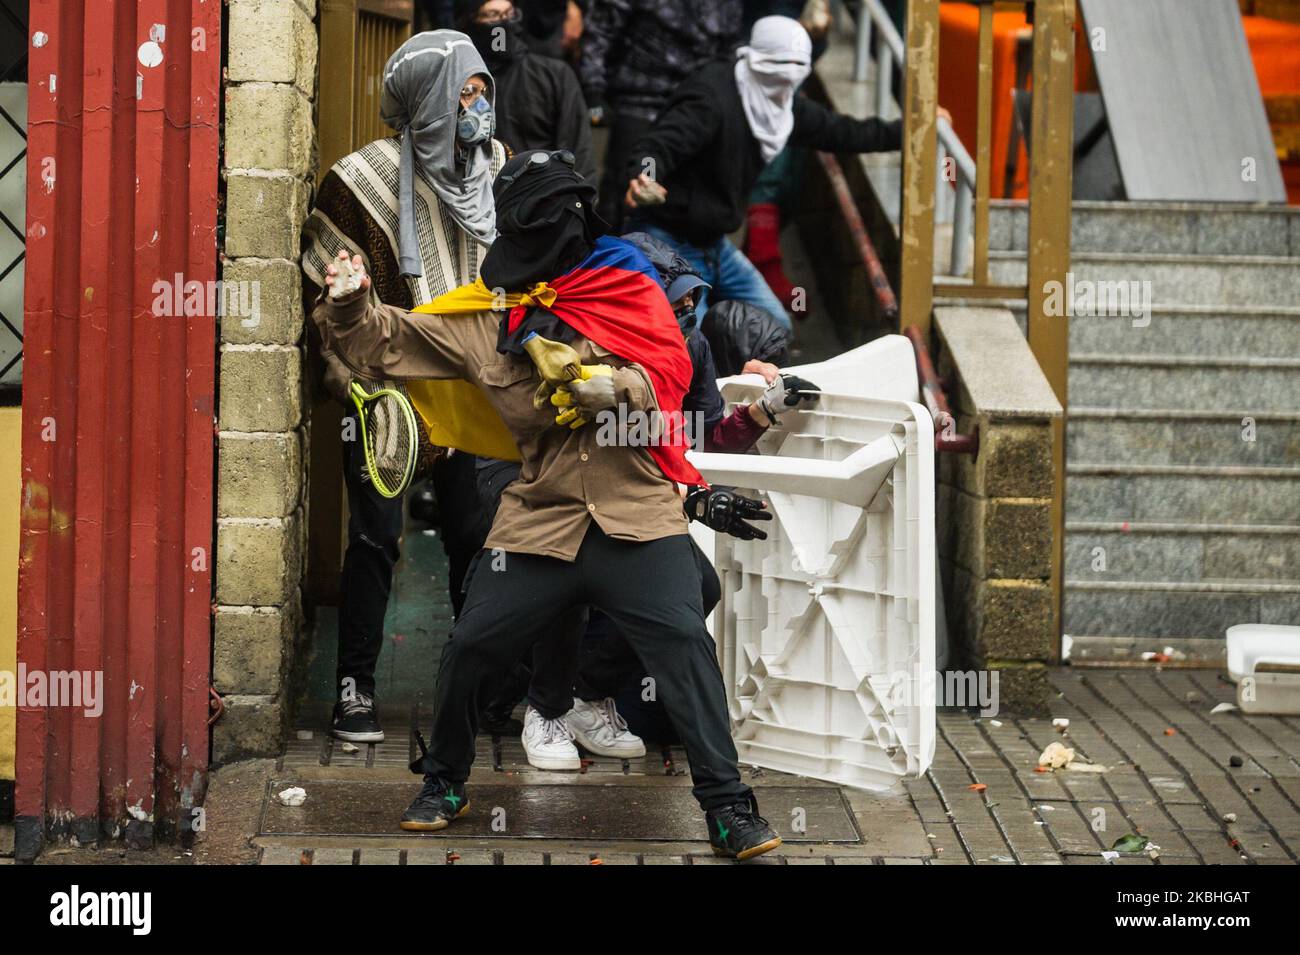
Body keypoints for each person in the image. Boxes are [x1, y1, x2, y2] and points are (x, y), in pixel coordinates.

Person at [316, 149, 784, 860]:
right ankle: (444, 780)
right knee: (472, 644)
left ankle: (728, 807)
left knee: (685, 644)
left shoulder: (629, 283)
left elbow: (672, 380)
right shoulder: (491, 315)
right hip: (542, 515)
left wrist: (615, 388)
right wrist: (349, 301)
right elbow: (388, 343)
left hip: (637, 511)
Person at [517, 230, 821, 766]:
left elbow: (696, 441)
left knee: (696, 586)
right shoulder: (581, 334)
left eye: (690, 300)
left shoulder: (693, 345)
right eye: (671, 298)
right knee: (525, 607)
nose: (685, 309)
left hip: (644, 503)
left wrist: (759, 413)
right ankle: (542, 707)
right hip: (563, 493)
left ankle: (584, 698)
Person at [301, 30, 507, 744]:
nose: (479, 105)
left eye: (482, 88)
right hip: (384, 393)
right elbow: (331, 305)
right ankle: (354, 688)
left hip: (471, 387)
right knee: (375, 536)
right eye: (464, 92)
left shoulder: (497, 171)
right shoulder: (357, 180)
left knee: (477, 535)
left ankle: (473, 688)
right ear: (426, 100)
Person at [622, 16, 924, 329]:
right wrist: (645, 175)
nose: (784, 88)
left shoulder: (784, 107)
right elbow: (656, 147)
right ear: (756, 60)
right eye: (778, 75)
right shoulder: (710, 98)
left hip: (715, 245)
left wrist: (912, 129)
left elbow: (843, 132)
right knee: (686, 341)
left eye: (793, 78)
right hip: (669, 243)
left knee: (776, 325)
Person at [579, 0, 745, 230]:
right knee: (627, 192)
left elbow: (729, 52)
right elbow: (601, 28)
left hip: (691, 109)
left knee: (668, 198)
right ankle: (602, 254)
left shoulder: (727, 7)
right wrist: (593, 89)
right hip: (639, 100)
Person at [456, 0, 596, 180]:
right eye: (492, 16)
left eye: (509, 14)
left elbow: (579, 155)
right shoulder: (457, 81)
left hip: (539, 198)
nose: (503, 23)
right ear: (470, 21)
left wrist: (575, 204)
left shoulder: (553, 76)